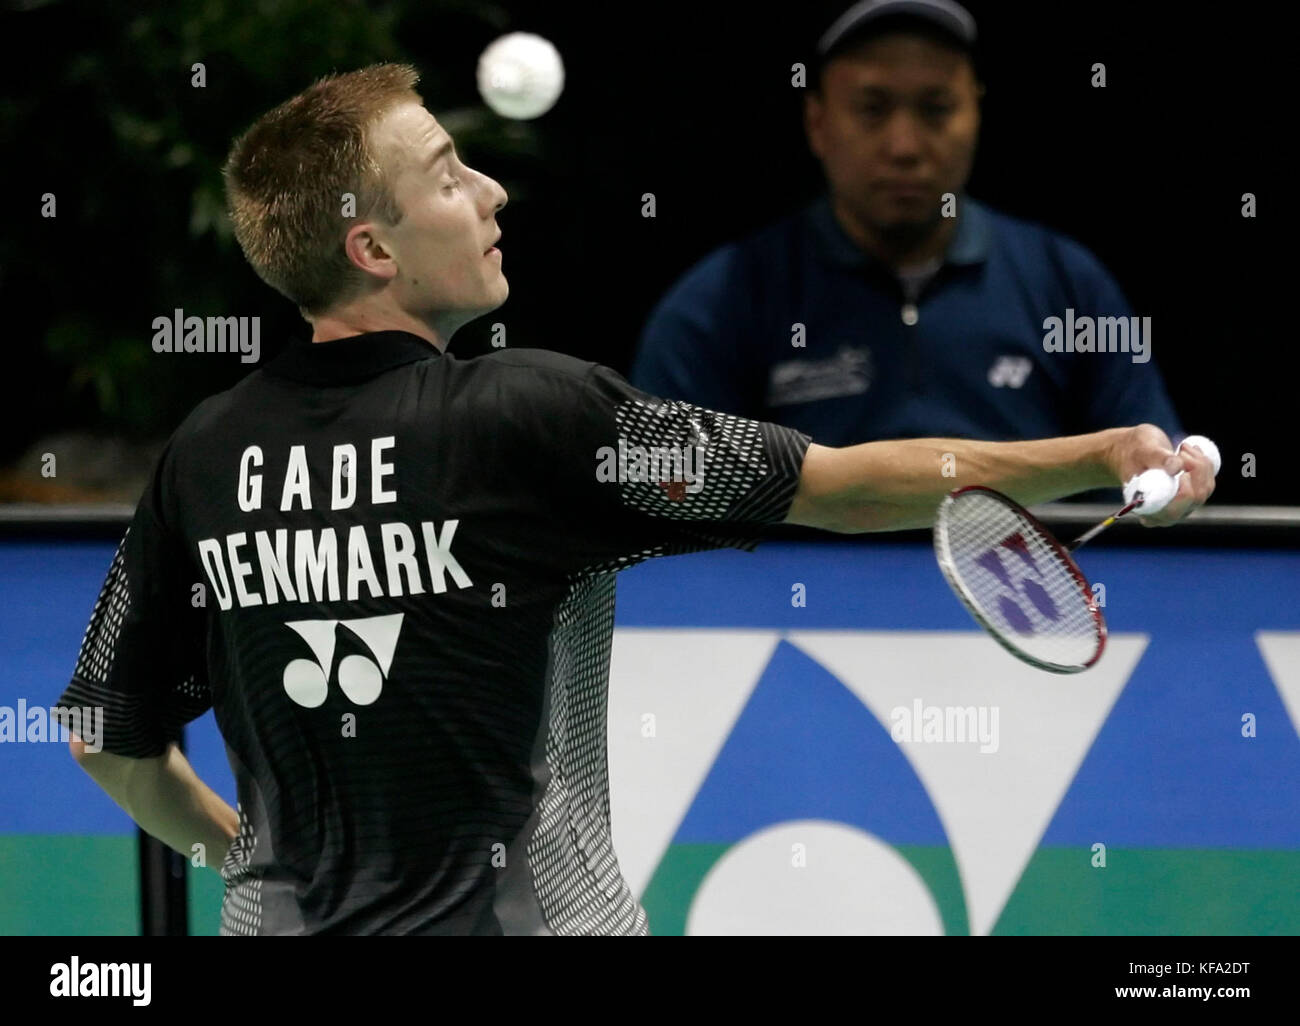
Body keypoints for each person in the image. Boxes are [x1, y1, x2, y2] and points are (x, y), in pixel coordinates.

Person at [60, 63, 1214, 936]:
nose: (493, 189)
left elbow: (107, 739)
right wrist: (1100, 450)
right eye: (452, 176)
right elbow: (838, 489)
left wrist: (249, 863)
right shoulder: (530, 419)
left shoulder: (205, 456)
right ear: (373, 246)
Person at [631, 0, 1184, 457]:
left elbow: (1149, 464)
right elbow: (661, 492)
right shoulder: (723, 299)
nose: (904, 147)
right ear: (817, 123)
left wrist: (1172, 472)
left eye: (936, 108)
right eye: (872, 109)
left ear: (977, 113)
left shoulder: (1072, 285)